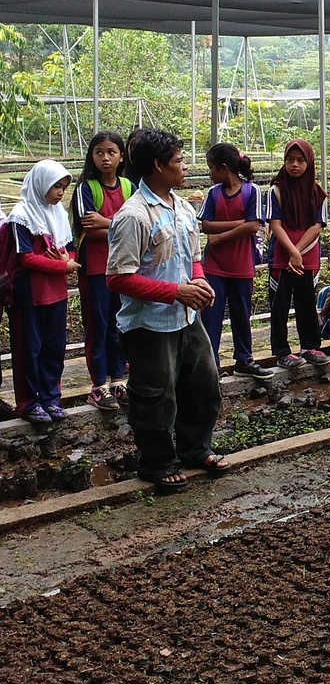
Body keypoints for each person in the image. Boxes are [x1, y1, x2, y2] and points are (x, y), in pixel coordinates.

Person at [106, 129, 228, 493]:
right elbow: (117, 278)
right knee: (156, 397)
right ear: (158, 166)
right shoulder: (133, 215)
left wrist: (199, 280)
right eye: (178, 161)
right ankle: (157, 463)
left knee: (204, 386)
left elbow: (192, 258)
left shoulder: (184, 208)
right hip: (149, 324)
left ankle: (195, 449)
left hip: (187, 318)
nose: (185, 166)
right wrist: (176, 291)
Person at [6, 160, 78, 424]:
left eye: (63, 187)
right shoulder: (22, 215)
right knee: (29, 349)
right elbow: (26, 258)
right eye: (55, 186)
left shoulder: (57, 214)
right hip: (30, 294)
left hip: (56, 292)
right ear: (40, 184)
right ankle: (29, 402)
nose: (60, 192)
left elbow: (69, 247)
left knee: (54, 347)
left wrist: (65, 259)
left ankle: (50, 398)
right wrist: (62, 265)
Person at [197, 143, 273, 382]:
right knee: (212, 315)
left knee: (242, 314)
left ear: (223, 168)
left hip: (241, 264)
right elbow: (205, 225)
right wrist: (239, 223)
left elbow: (253, 226)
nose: (209, 173)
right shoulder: (214, 194)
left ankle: (244, 359)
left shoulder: (252, 191)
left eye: (211, 168)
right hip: (214, 266)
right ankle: (211, 364)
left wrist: (219, 237)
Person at [71, 131, 134, 411]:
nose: (105, 157)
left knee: (120, 324)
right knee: (97, 325)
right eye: (99, 152)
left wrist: (106, 223)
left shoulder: (129, 187)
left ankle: (118, 380)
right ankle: (98, 385)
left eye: (111, 152)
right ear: (91, 156)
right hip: (96, 268)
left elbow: (134, 226)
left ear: (121, 156)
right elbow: (89, 228)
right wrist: (119, 225)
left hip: (122, 267)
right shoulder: (86, 188)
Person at [267, 138, 330, 367]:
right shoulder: (275, 191)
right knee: (279, 306)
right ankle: (282, 352)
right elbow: (275, 225)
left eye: (300, 160)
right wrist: (292, 253)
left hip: (307, 258)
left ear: (309, 162)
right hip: (282, 259)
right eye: (290, 160)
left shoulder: (318, 194)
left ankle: (310, 347)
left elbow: (317, 226)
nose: (294, 165)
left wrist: (298, 252)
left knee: (306, 303)